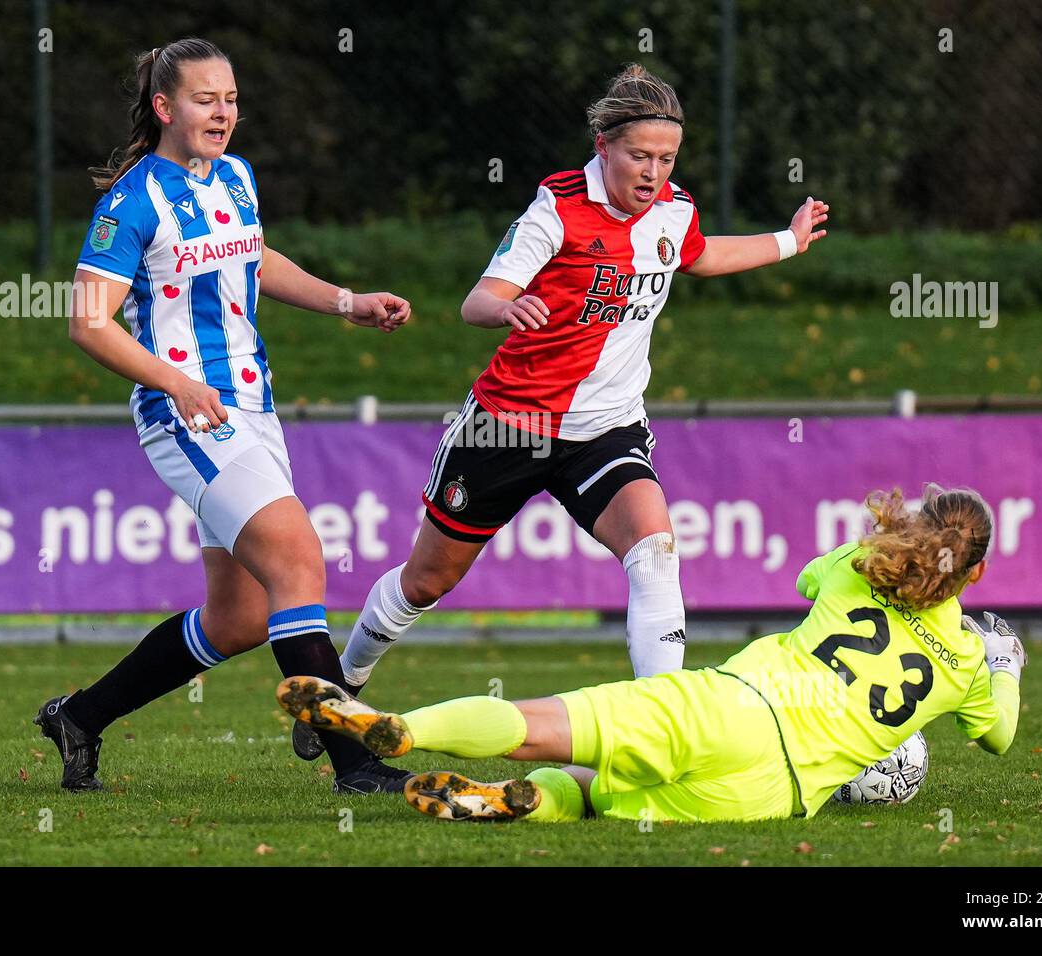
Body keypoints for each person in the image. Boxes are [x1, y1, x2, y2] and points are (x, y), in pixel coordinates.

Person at [291, 64, 829, 762]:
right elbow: (476, 300)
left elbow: (697, 254)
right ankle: (346, 682)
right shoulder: (556, 208)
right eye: (641, 157)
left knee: (655, 552)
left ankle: (663, 730)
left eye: (667, 159)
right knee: (427, 580)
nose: (654, 172)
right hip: (506, 426)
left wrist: (787, 241)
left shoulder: (672, 209)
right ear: (603, 146)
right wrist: (505, 306)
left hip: (604, 431)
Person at [34, 37, 416, 795]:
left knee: (239, 617)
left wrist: (348, 302)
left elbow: (256, 258)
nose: (224, 112)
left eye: (232, 98)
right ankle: (352, 759)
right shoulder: (133, 200)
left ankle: (80, 717)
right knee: (299, 560)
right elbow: (87, 321)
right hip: (189, 419)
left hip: (252, 409)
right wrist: (175, 383)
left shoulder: (235, 176)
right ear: (165, 107)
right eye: (206, 99)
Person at [278, 485, 1026, 823]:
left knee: (534, 721)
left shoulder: (855, 567)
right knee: (600, 796)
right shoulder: (965, 660)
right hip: (770, 799)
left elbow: (810, 576)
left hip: (731, 707)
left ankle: (398, 725)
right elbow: (1000, 739)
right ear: (978, 574)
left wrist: (881, 550)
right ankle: (523, 804)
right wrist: (1003, 659)